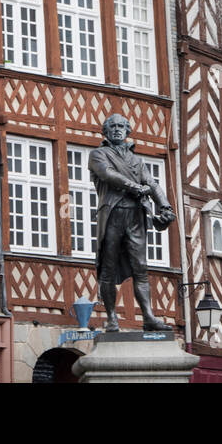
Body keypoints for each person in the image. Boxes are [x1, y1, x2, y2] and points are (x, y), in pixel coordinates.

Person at [88, 113, 176, 331]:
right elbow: (107, 174)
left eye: (121, 126)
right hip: (111, 216)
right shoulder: (98, 154)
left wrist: (165, 207)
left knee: (141, 268)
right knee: (107, 268)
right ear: (105, 131)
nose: (117, 129)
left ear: (127, 131)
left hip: (135, 217)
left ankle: (148, 316)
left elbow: (152, 184)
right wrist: (135, 187)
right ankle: (111, 318)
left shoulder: (136, 160)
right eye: (112, 126)